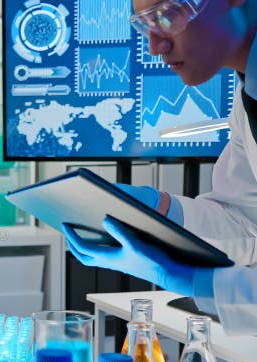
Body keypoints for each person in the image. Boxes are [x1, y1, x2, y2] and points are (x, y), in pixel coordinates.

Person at [64, 0, 257, 335]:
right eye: (144, 25)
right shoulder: (248, 98)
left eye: (168, 15)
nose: (155, 46)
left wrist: (196, 280)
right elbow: (246, 225)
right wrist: (159, 211)